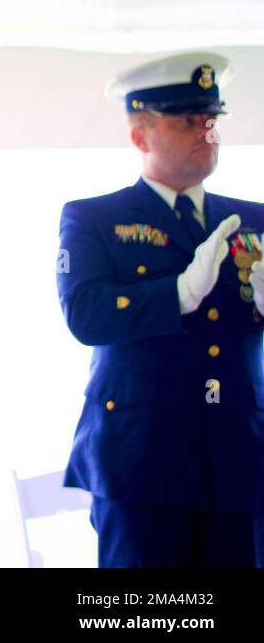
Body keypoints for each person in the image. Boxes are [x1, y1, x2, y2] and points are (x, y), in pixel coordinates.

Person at [58, 52, 264, 567]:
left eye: (212, 120)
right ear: (140, 135)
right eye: (188, 121)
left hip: (237, 454)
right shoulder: (95, 218)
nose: (206, 132)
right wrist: (177, 294)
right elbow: (85, 314)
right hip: (141, 461)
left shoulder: (253, 219)